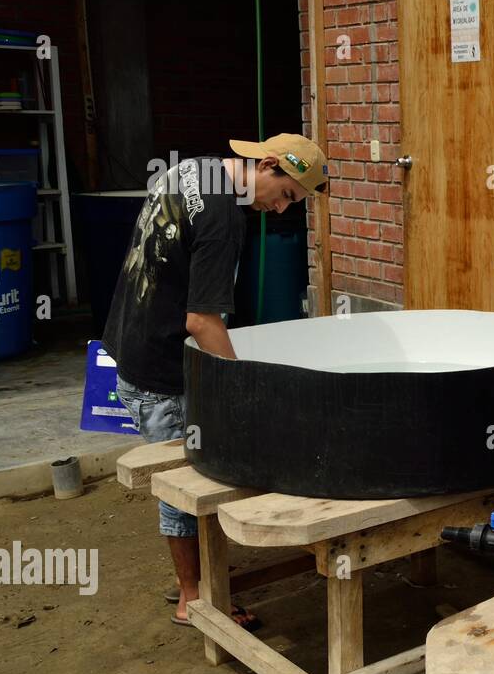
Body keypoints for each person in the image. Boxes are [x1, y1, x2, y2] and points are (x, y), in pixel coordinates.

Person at [103, 134, 329, 626]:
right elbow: (201, 321)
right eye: (286, 194)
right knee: (186, 486)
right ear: (266, 164)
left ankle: (197, 580)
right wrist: (239, 388)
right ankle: (195, 598)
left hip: (131, 341)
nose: (281, 209)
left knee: (189, 477)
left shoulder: (196, 168)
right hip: (161, 371)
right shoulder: (224, 219)